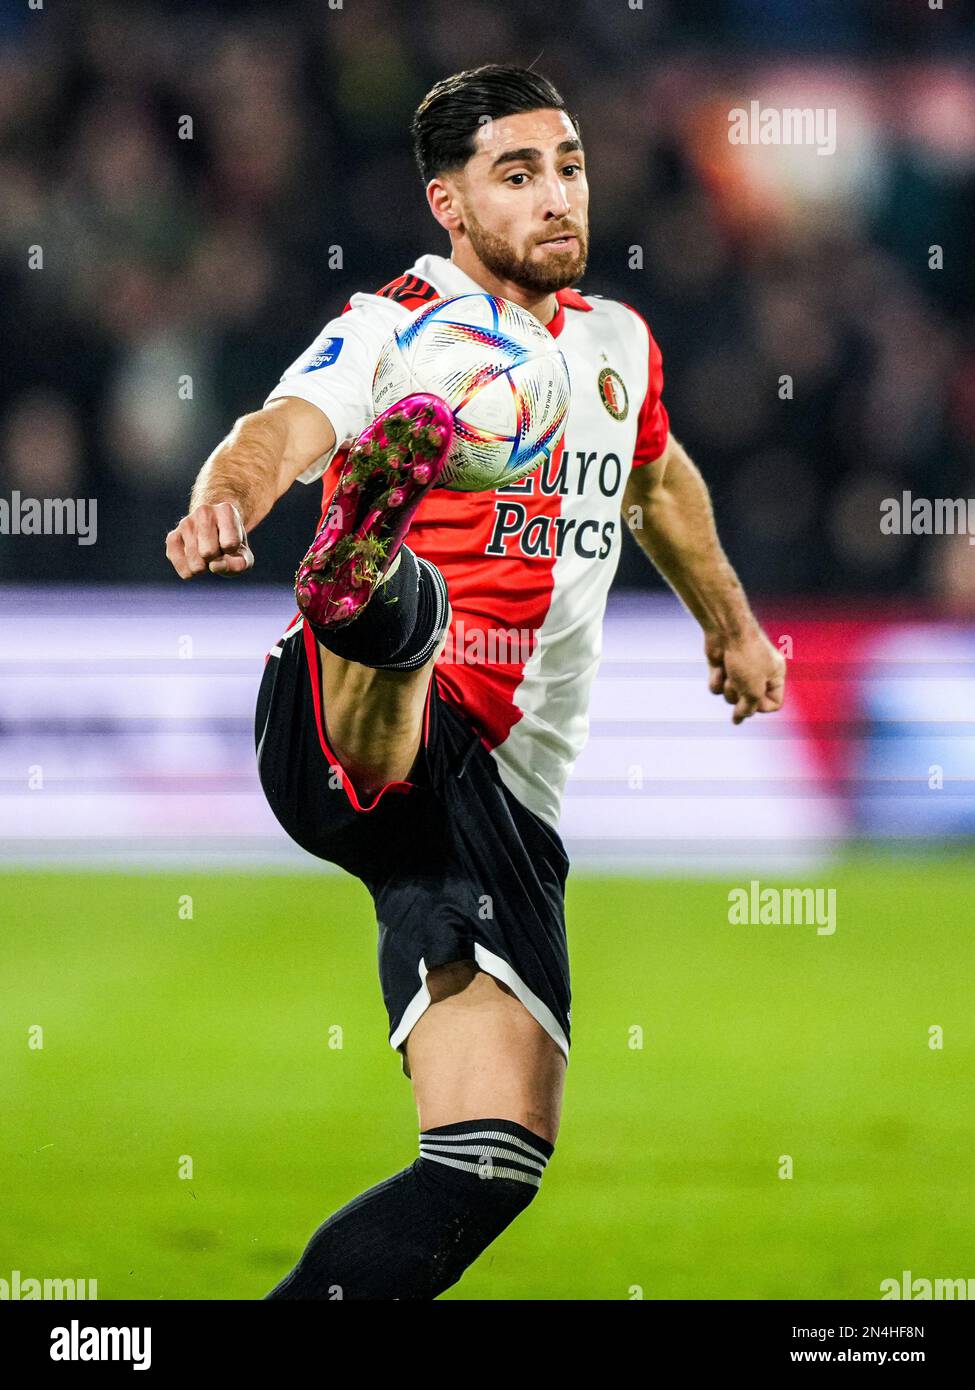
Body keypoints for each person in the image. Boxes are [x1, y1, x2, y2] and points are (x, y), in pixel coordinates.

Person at [165, 64, 786, 1300]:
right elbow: (283, 427)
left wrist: (734, 627)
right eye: (519, 175)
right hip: (348, 727)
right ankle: (375, 589)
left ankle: (384, 588)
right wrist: (227, 496)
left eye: (569, 168)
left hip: (491, 812)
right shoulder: (399, 321)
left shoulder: (618, 346)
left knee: (487, 1163)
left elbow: (656, 484)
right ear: (449, 205)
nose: (557, 196)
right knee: (412, 634)